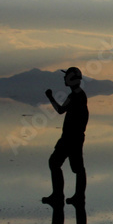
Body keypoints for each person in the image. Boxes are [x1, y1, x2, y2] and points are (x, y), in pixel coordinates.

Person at [43, 67, 87, 205]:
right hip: (75, 137)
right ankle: (77, 196)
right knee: (76, 168)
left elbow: (61, 110)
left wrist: (50, 97)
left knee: (56, 163)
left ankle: (60, 195)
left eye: (66, 77)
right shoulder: (79, 94)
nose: (64, 79)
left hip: (70, 138)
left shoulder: (75, 96)